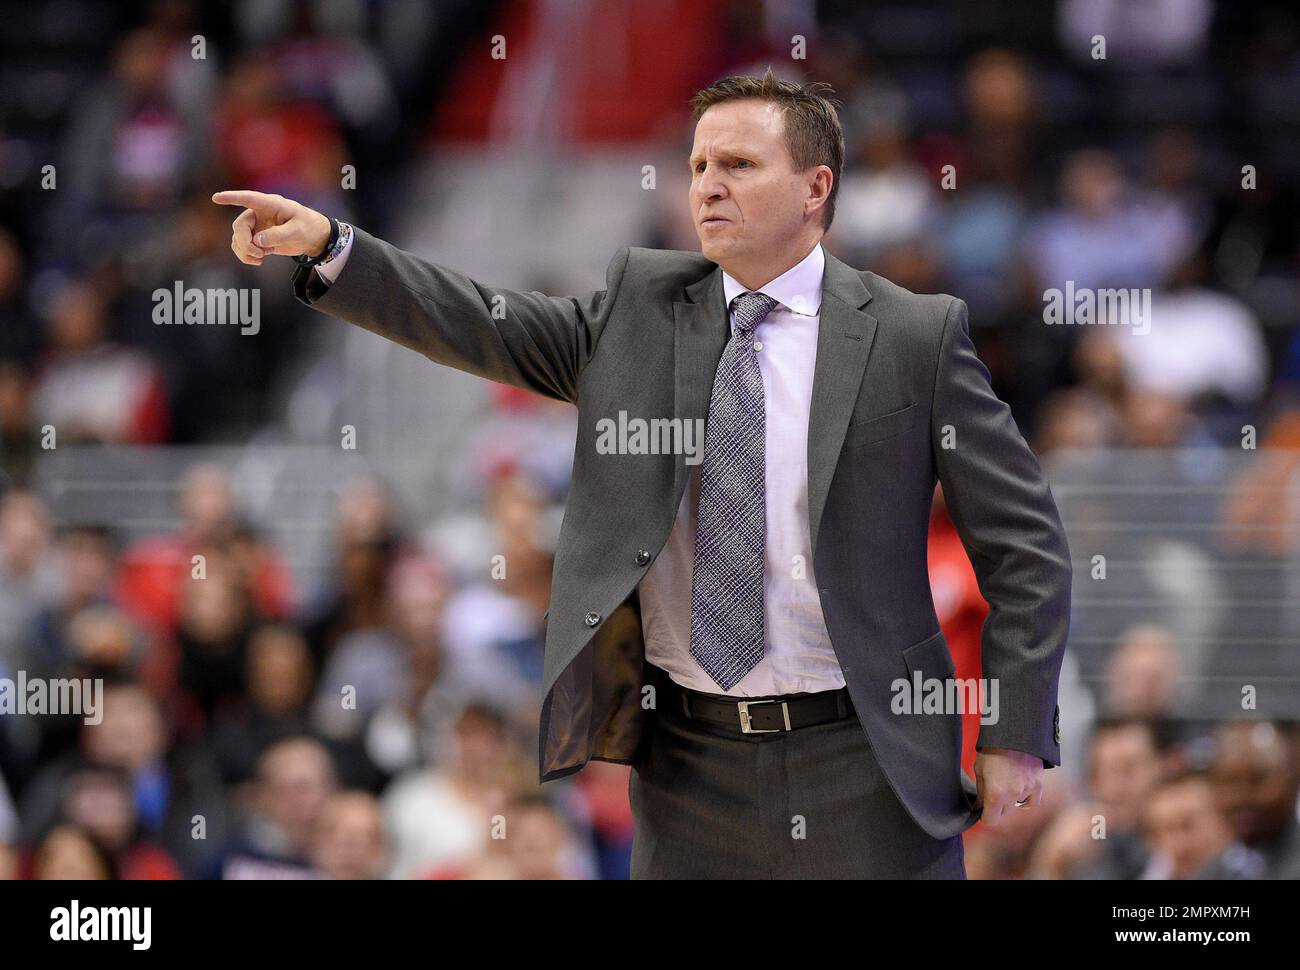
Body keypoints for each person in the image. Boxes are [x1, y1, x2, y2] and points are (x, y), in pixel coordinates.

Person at [214, 69, 1071, 878]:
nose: (706, 184)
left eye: (738, 163)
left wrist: (1014, 731)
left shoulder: (916, 336)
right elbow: (485, 322)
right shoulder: (639, 309)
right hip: (689, 762)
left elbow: (1026, 548)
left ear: (816, 188)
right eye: (697, 164)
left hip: (870, 758)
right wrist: (334, 248)